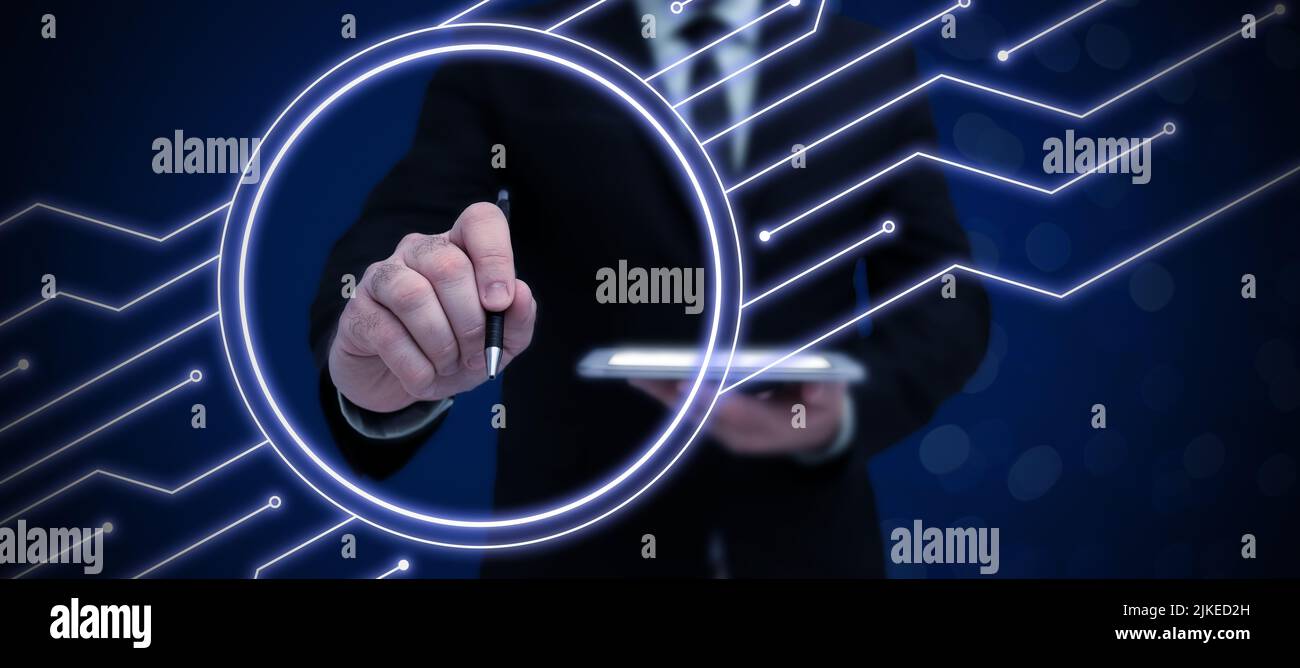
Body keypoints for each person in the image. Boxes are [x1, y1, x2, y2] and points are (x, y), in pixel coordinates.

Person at [310, 0, 989, 577]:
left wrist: (839, 412)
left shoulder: (870, 64)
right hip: (572, 556)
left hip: (808, 550)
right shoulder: (515, 48)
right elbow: (405, 232)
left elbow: (945, 296)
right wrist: (388, 343)